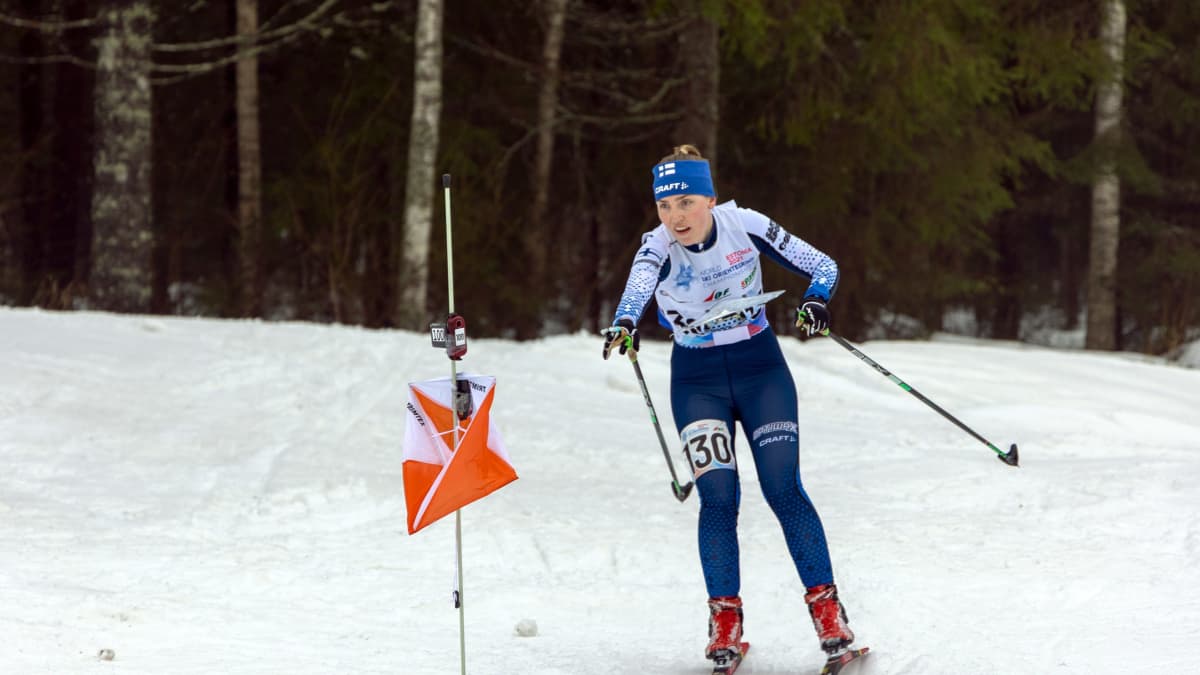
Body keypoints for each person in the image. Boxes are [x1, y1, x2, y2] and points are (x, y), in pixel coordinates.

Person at [602, 145, 856, 665]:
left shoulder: (744, 224)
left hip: (761, 371)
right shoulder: (655, 247)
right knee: (718, 499)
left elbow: (822, 265)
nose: (676, 217)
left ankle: (829, 614)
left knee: (783, 487)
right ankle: (724, 624)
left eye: (687, 203)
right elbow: (637, 288)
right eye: (665, 206)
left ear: (711, 200)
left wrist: (816, 301)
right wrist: (625, 322)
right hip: (697, 381)